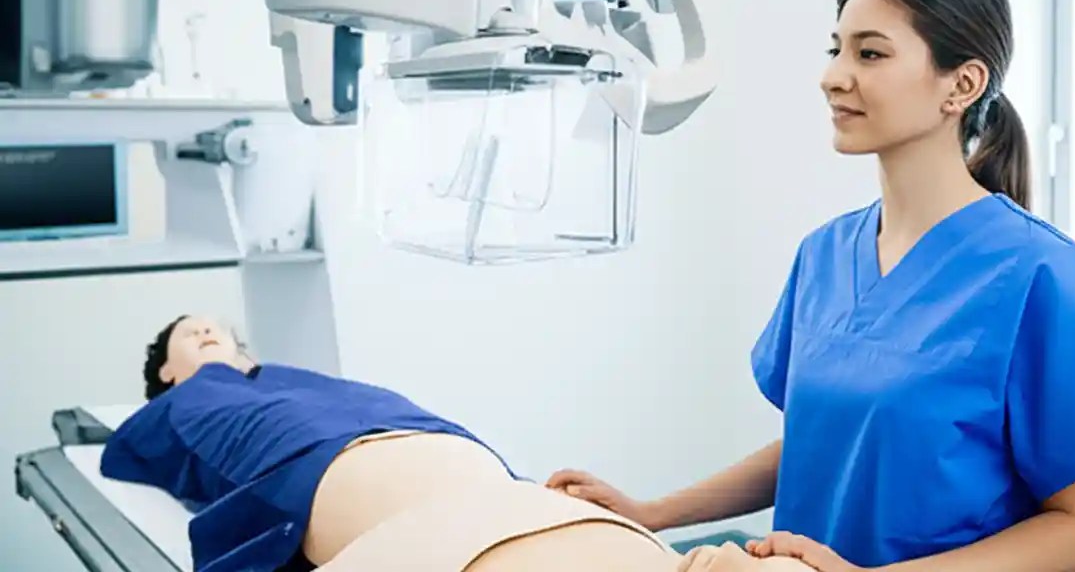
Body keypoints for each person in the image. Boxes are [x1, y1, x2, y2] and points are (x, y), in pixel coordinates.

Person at [546, 0, 1075, 572]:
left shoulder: (1039, 273)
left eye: (869, 53)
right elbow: (825, 444)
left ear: (963, 84)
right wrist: (652, 512)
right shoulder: (824, 253)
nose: (833, 76)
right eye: (836, 49)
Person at [102, 314, 809, 572]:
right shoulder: (200, 401)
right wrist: (210, 374)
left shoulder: (304, 382)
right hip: (415, 508)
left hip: (507, 493)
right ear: (163, 372)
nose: (210, 333)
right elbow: (145, 444)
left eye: (221, 331)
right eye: (188, 334)